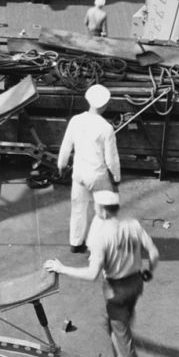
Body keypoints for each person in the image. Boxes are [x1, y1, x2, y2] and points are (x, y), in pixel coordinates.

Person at [46, 185, 157, 357]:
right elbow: (154, 252)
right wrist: (149, 271)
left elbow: (92, 274)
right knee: (122, 321)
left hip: (116, 291)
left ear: (102, 209)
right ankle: (121, 324)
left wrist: (61, 268)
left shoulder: (102, 237)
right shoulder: (132, 224)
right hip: (136, 283)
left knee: (122, 338)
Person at [56, 83, 121, 251]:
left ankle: (76, 243)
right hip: (97, 176)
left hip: (79, 174)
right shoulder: (106, 128)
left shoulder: (76, 120)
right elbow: (111, 159)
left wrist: (61, 165)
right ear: (105, 105)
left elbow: (65, 147)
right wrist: (116, 178)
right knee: (104, 210)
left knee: (78, 208)